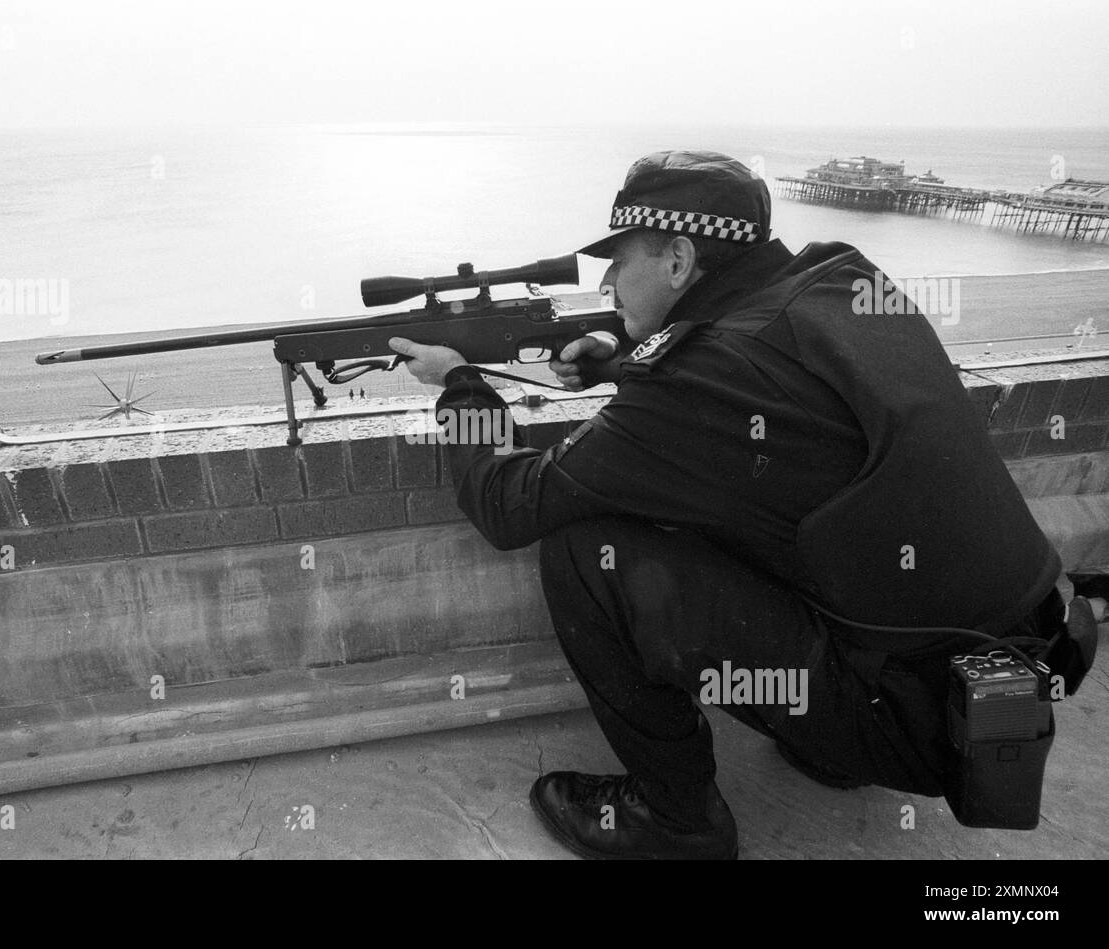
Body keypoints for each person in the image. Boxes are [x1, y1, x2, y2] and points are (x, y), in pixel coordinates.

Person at [387, 150, 1077, 860]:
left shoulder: (695, 382)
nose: (606, 281)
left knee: (584, 549)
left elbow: (510, 504)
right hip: (1005, 668)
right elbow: (768, 380)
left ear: (680, 259)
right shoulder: (838, 278)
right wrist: (625, 356)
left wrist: (460, 383)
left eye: (619, 261)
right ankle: (836, 745)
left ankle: (677, 820)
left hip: (916, 721)